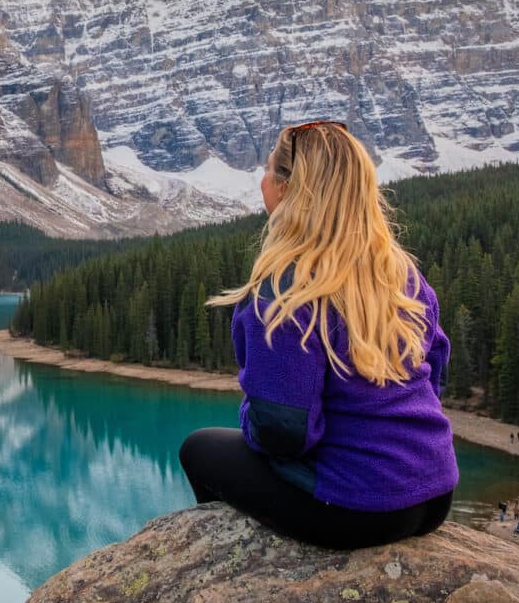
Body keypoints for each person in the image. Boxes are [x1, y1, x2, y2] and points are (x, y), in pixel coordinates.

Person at [180, 120, 459, 550]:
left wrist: (247, 420)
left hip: (357, 511)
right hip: (436, 492)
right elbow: (435, 362)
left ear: (290, 190)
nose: (263, 180)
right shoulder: (398, 270)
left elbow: (282, 433)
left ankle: (236, 565)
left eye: (271, 170)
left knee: (198, 449)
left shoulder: (285, 289)